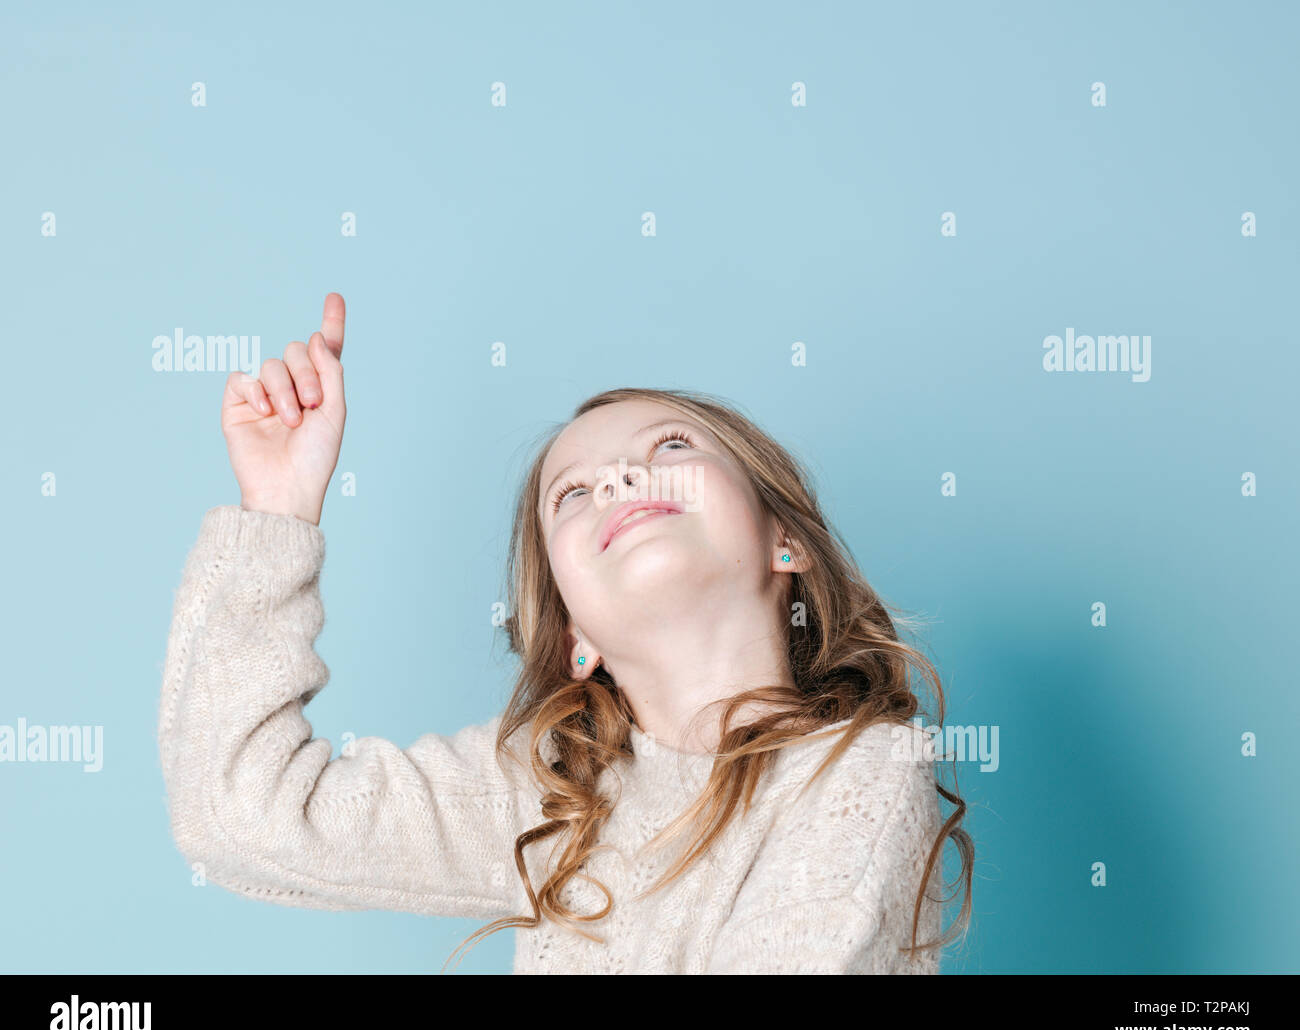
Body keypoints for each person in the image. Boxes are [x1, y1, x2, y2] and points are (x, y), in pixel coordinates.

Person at [157, 292, 974, 974]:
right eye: (571, 494)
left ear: (783, 539)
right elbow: (243, 816)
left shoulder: (860, 772)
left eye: (672, 445)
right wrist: (277, 510)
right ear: (576, 633)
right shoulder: (551, 793)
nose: (617, 478)